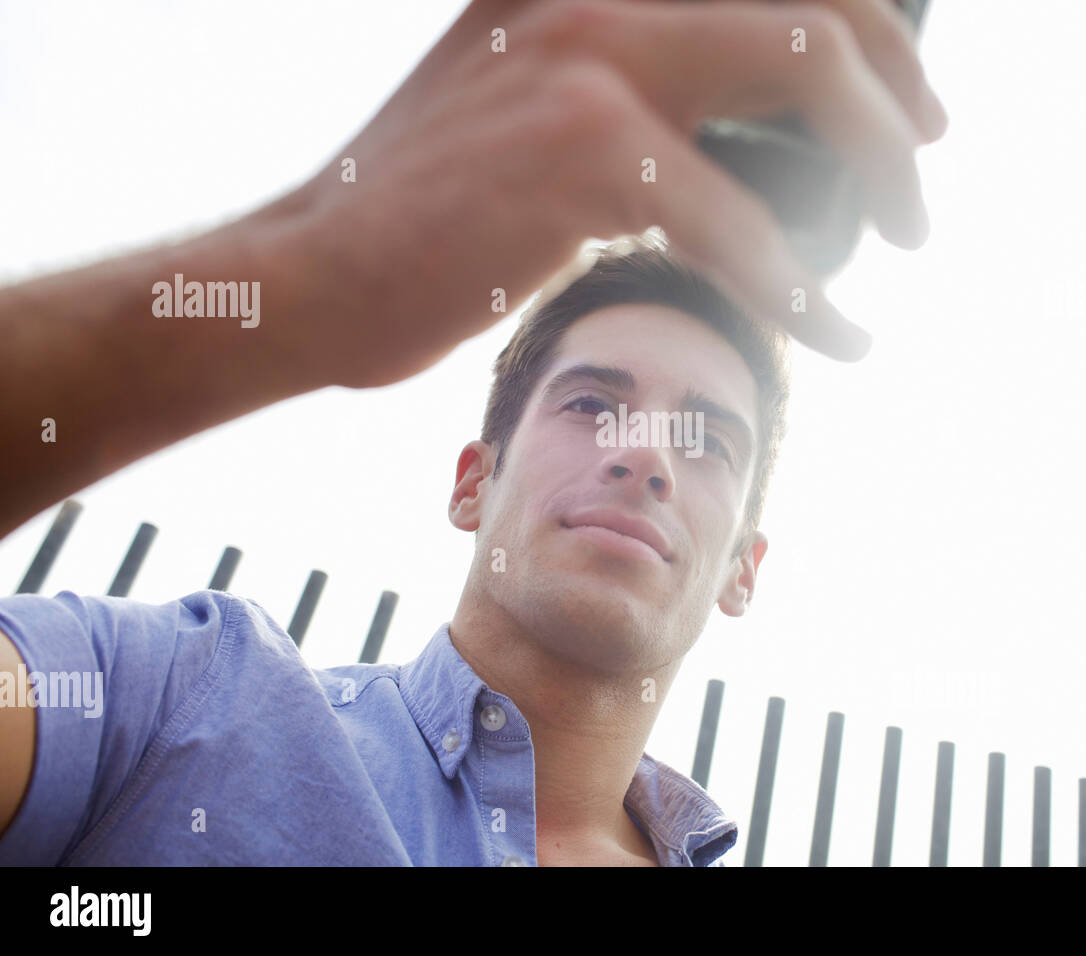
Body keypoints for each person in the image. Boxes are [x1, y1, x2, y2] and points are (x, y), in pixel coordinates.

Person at [0, 0, 946, 865]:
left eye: (706, 441)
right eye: (591, 405)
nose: (647, 455)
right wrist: (303, 271)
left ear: (746, 567)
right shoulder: (181, 698)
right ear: (471, 484)